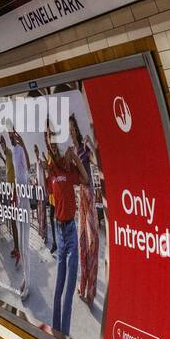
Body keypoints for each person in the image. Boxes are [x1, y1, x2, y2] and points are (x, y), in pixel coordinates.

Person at [45, 125, 89, 338]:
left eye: (54, 139)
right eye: (49, 140)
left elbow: (86, 179)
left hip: (70, 232)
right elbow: (50, 197)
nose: (52, 143)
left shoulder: (66, 170)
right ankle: (56, 333)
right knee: (57, 290)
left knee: (69, 291)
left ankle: (64, 336)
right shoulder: (51, 172)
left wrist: (75, 158)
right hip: (58, 232)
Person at [71, 117, 100, 306]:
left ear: (77, 129)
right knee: (82, 244)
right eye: (69, 129)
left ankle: (91, 289)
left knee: (92, 243)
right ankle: (83, 286)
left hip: (89, 195)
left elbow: (96, 162)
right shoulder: (72, 151)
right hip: (80, 196)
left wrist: (90, 144)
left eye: (73, 128)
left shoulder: (82, 148)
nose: (72, 132)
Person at [6, 128, 31, 300]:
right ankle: (25, 278)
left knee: (26, 247)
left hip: (26, 200)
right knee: (22, 246)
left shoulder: (20, 149)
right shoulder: (14, 151)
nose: (11, 137)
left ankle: (27, 285)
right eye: (10, 135)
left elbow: (28, 168)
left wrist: (23, 143)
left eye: (13, 134)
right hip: (19, 199)